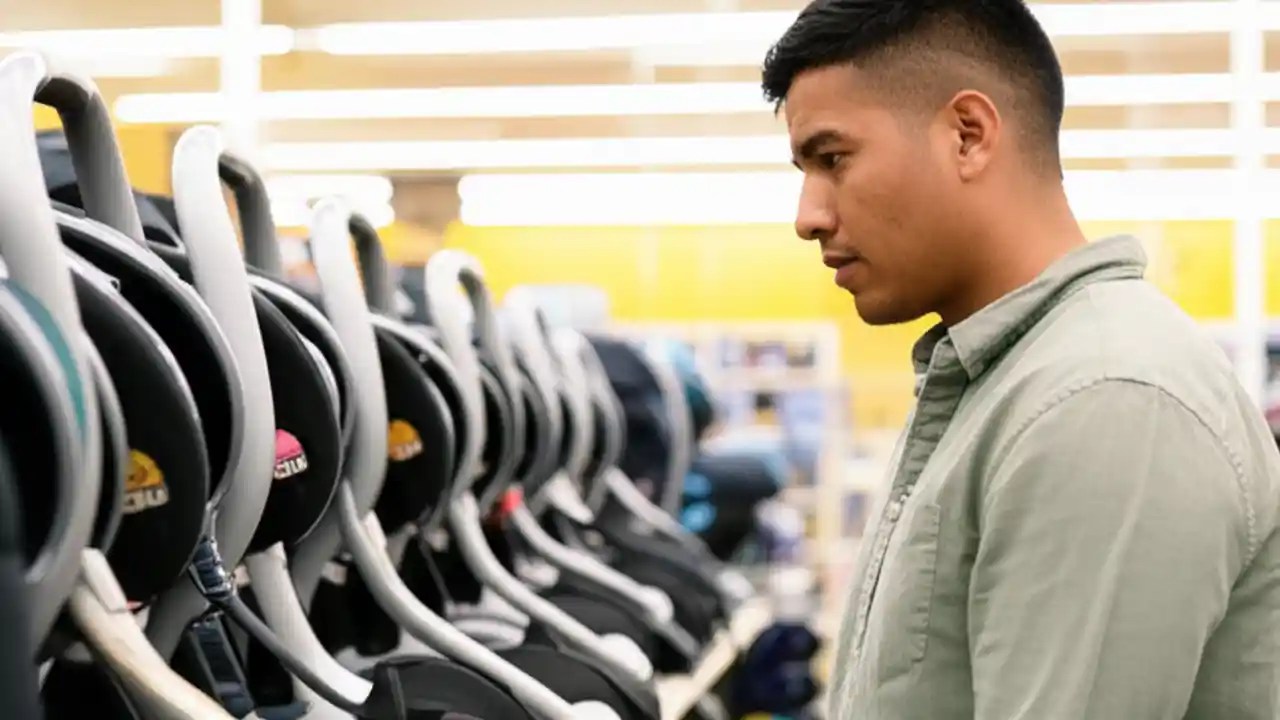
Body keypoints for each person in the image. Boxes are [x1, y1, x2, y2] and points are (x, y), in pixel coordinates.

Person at [762, 1, 1280, 718]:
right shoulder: (1006, 385)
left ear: (968, 135)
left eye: (832, 159)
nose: (807, 215)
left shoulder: (1103, 400)